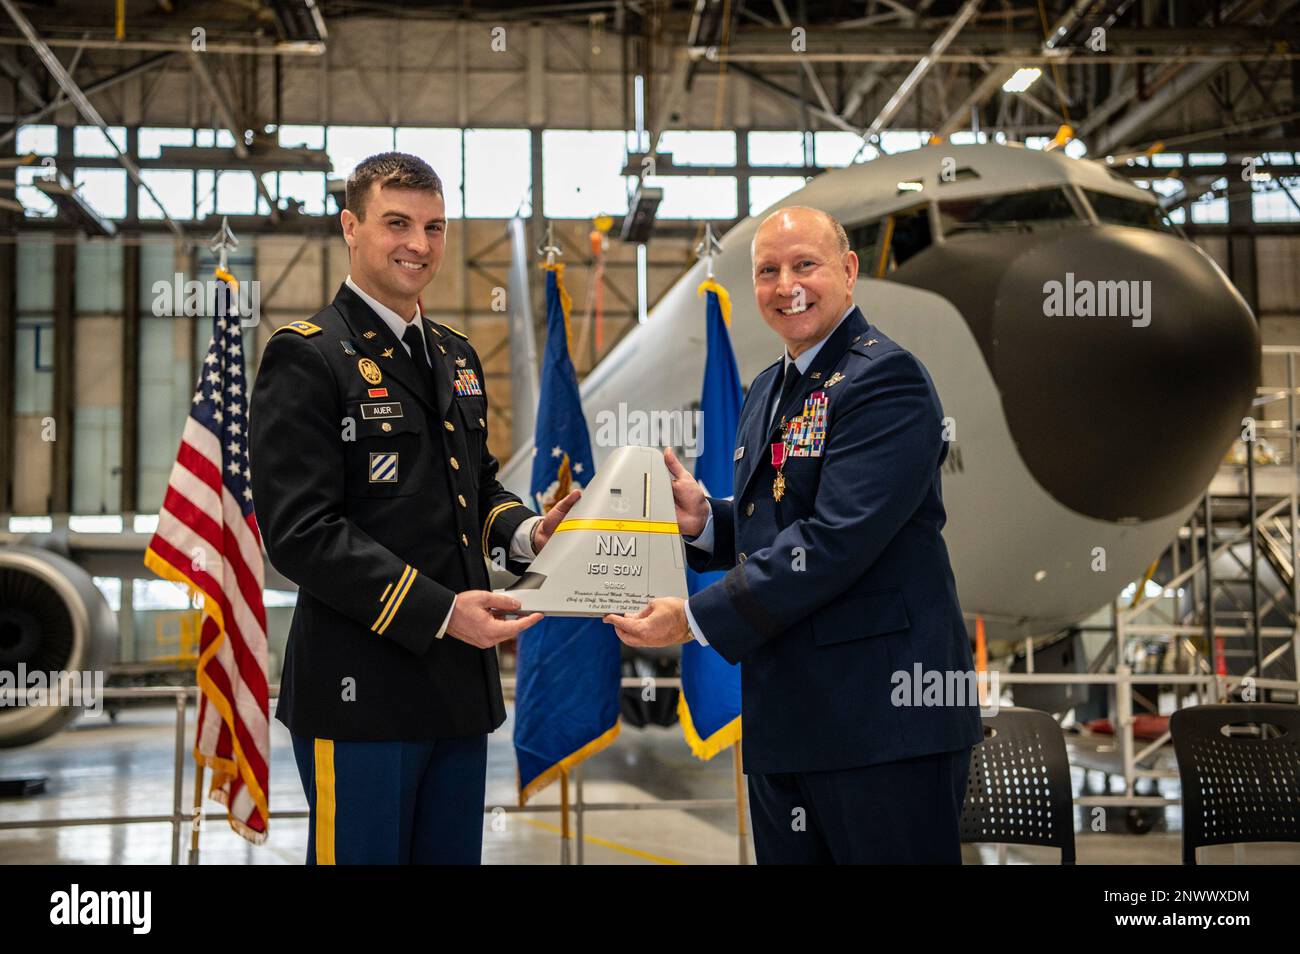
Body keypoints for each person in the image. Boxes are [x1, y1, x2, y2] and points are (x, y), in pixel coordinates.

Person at [605, 206, 982, 864]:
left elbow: (836, 539)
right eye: (768, 272)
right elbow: (777, 522)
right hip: (791, 718)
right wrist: (706, 519)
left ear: (848, 270)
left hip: (881, 725)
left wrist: (694, 618)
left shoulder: (884, 381)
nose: (788, 285)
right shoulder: (768, 391)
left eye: (805, 265)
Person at [249, 152, 577, 864]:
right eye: (396, 223)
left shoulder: (456, 356)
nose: (419, 245)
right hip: (360, 691)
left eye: (434, 226)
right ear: (351, 228)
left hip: (458, 693)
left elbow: (476, 489)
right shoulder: (309, 357)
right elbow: (301, 534)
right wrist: (441, 612)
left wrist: (528, 531)